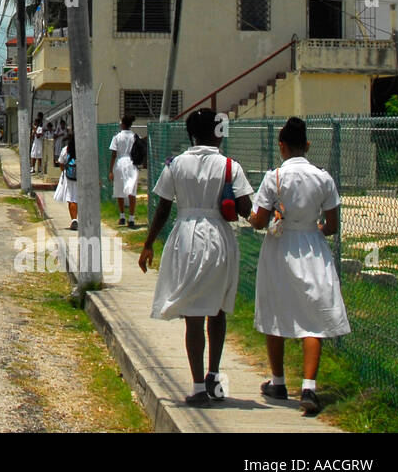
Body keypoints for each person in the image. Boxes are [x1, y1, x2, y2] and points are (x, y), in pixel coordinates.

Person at [138, 107, 254, 406]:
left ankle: (198, 386)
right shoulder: (230, 165)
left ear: (190, 133)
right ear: (218, 132)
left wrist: (148, 243)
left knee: (193, 316)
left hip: (186, 236)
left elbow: (163, 209)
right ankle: (215, 375)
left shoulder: (175, 164)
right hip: (219, 236)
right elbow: (244, 207)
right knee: (217, 311)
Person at [248, 117, 350, 416]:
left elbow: (259, 220)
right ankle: (309, 386)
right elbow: (331, 225)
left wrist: (255, 216)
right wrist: (315, 226)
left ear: (281, 145)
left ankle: (278, 381)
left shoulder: (274, 177)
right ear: (307, 145)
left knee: (275, 311)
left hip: (280, 248)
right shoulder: (324, 178)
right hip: (312, 246)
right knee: (314, 315)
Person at [109, 115, 140, 228]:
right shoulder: (135, 136)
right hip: (132, 163)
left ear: (122, 123)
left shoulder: (117, 137)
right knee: (132, 191)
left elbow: (113, 154)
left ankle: (122, 216)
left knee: (119, 189)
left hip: (120, 162)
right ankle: (131, 218)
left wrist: (110, 170)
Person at [62, 133, 78, 230]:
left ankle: (74, 220)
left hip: (70, 177)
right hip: (82, 176)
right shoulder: (83, 148)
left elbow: (61, 162)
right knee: (79, 198)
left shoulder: (66, 150)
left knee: (71, 198)